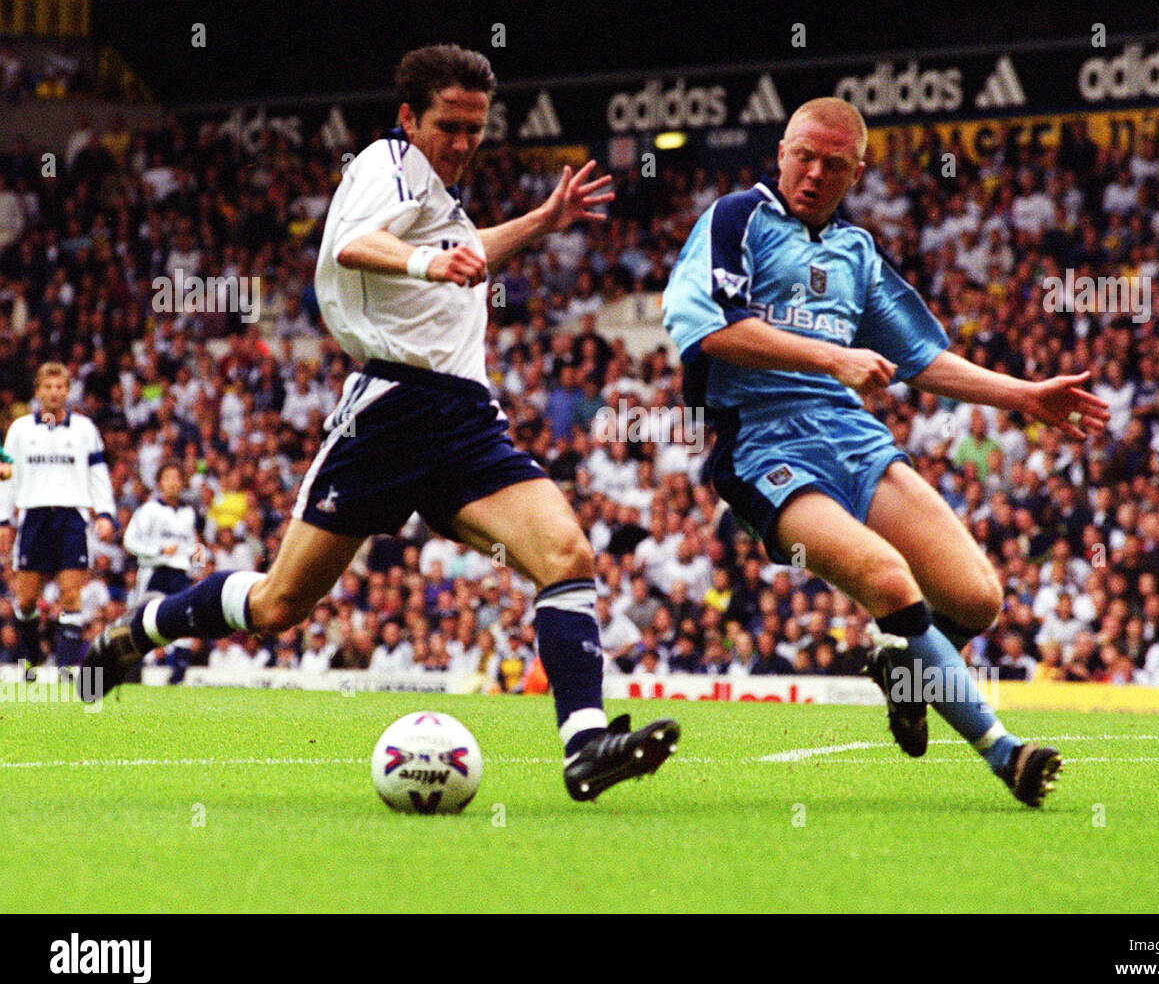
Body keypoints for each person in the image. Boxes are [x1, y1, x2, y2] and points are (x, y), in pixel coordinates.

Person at [85, 43, 678, 802]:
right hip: (391, 413)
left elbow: (465, 253)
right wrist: (430, 264)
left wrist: (542, 219)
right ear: (408, 117)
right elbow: (354, 245)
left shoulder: (436, 194)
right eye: (447, 125)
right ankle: (143, 627)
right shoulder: (386, 163)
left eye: (474, 128)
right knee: (279, 605)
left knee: (566, 556)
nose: (461, 142)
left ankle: (585, 744)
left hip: (464, 418)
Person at [662, 97, 1109, 806]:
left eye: (833, 165)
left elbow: (921, 359)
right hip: (762, 443)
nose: (815, 174)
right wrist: (830, 358)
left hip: (852, 437)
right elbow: (708, 328)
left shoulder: (857, 252)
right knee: (889, 580)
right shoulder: (736, 218)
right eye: (804, 157)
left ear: (857, 173)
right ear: (781, 153)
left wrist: (1024, 396)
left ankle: (904, 674)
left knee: (977, 599)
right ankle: (1005, 753)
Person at [0, 362, 116, 674]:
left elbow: (98, 472)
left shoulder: (84, 429)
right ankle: (33, 653)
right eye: (48, 387)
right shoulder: (21, 429)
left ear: (67, 390)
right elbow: (6, 476)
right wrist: (3, 520)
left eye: (60, 387)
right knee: (26, 600)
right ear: (38, 391)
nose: (54, 392)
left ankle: (66, 668)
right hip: (34, 516)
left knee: (71, 595)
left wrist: (105, 513)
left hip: (71, 517)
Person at [122, 461, 203, 682]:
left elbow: (194, 545)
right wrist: (158, 550)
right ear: (159, 483)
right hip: (154, 571)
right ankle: (134, 671)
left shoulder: (188, 513)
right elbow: (129, 541)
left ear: (183, 483)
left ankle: (179, 672)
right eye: (168, 478)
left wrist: (198, 562)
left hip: (180, 573)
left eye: (177, 478)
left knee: (184, 618)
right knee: (143, 618)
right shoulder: (149, 510)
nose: (173, 483)